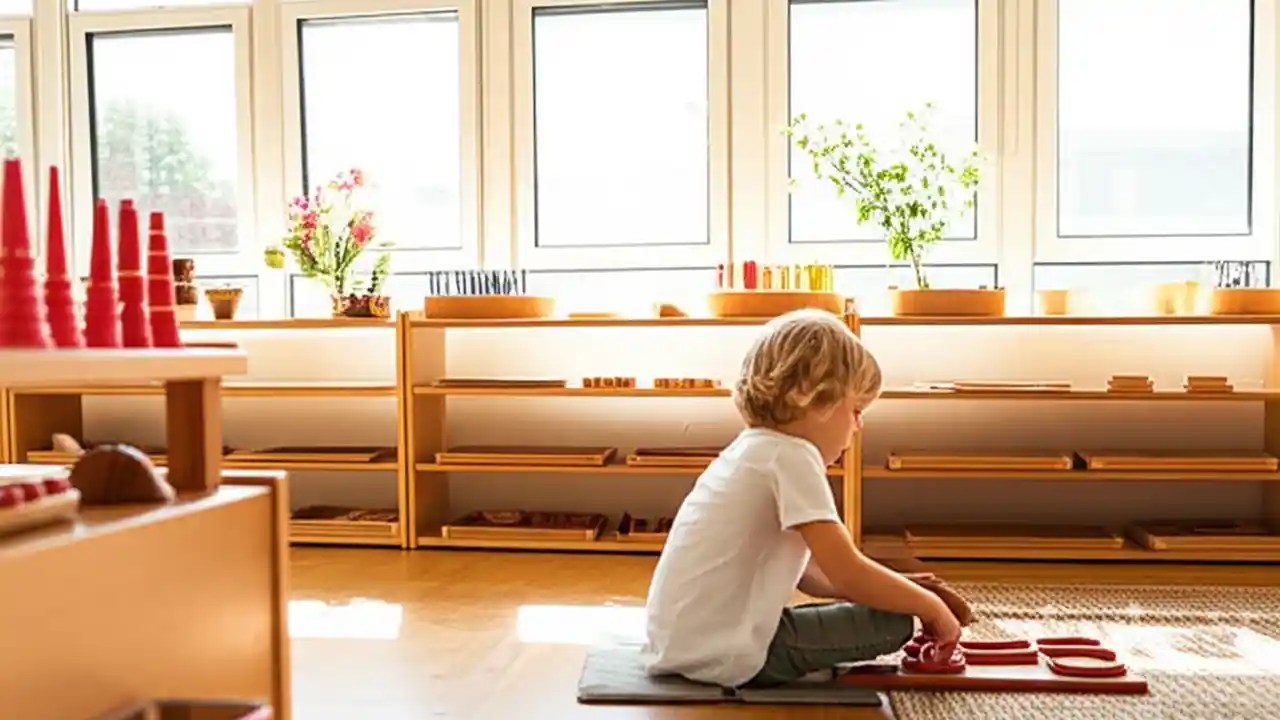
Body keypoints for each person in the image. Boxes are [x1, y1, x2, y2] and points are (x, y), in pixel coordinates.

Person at [641, 309, 968, 688]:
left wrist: (902, 586)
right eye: (856, 410)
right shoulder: (793, 456)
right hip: (728, 655)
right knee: (894, 622)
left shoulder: (753, 449)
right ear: (817, 398)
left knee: (888, 603)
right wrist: (930, 609)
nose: (858, 425)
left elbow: (815, 576)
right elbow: (846, 571)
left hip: (683, 645)